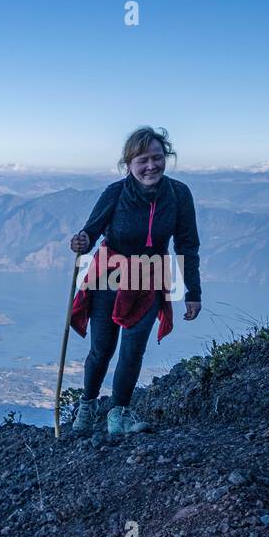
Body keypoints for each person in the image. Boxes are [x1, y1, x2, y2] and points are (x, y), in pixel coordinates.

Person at [68, 126, 202, 435]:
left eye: (157, 157)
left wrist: (193, 291)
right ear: (129, 163)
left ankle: (119, 414)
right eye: (143, 159)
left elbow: (187, 244)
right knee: (102, 348)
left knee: (132, 350)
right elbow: (91, 231)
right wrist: (81, 241)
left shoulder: (179, 194)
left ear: (165, 158)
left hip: (149, 276)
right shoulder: (115, 193)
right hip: (109, 275)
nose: (151, 166)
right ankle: (86, 408)